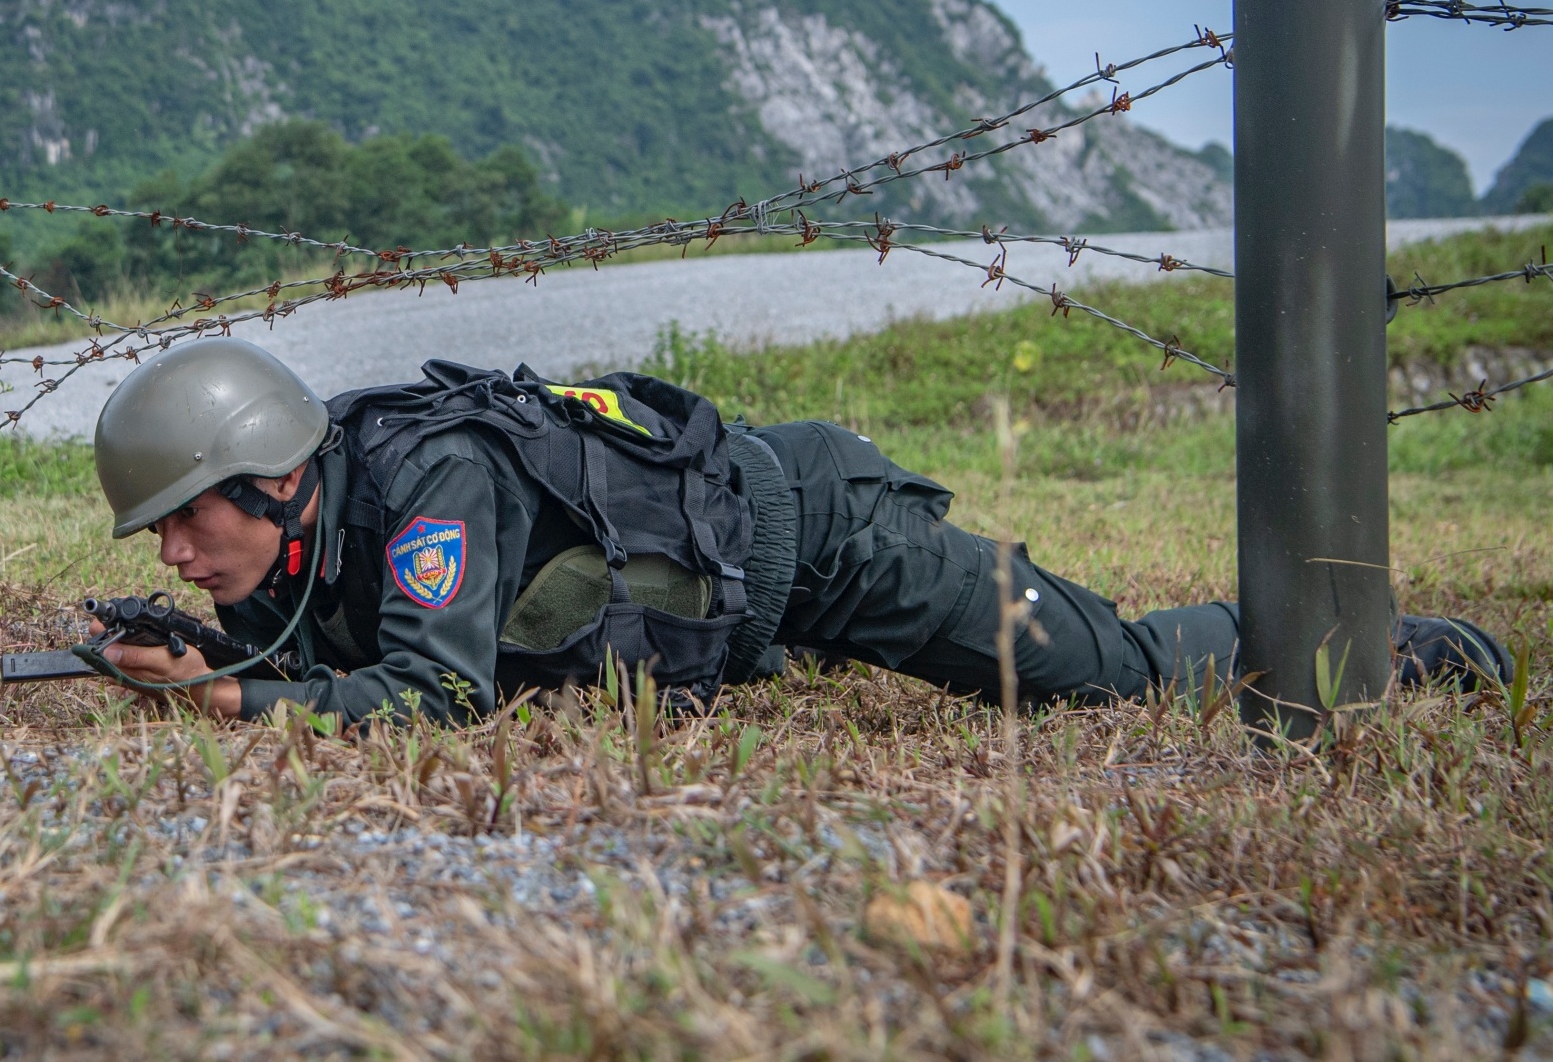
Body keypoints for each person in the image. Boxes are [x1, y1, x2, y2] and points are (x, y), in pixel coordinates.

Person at [85, 338, 1512, 724]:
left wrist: (228, 700)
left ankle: (1393, 647)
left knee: (1107, 673)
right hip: (723, 603)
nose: (171, 551)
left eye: (181, 520)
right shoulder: (332, 516)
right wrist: (206, 644)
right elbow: (351, 637)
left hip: (819, 538)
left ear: (273, 475)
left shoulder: (425, 483)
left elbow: (429, 690)